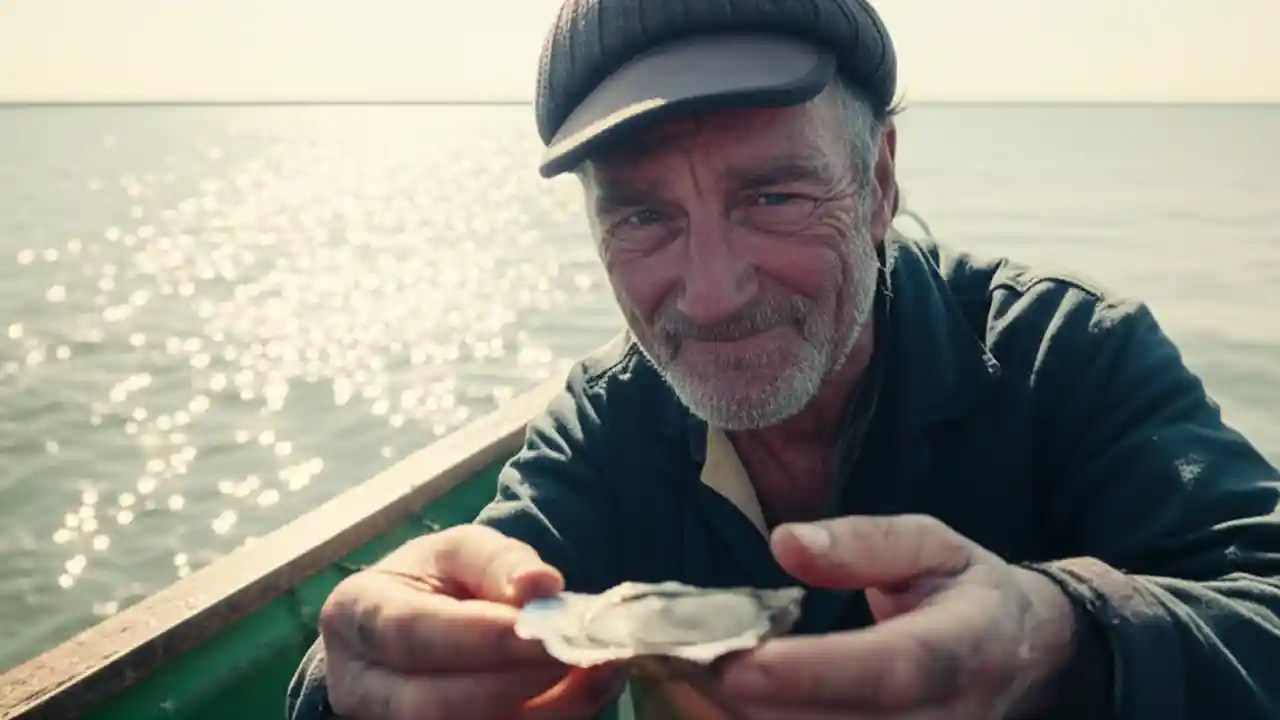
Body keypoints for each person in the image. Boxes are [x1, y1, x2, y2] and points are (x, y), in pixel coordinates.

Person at [287, 1, 1280, 718]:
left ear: (877, 181)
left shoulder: (1065, 356)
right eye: (643, 217)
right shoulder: (605, 424)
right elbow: (467, 613)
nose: (711, 293)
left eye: (771, 197)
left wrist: (1061, 640)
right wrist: (355, 680)